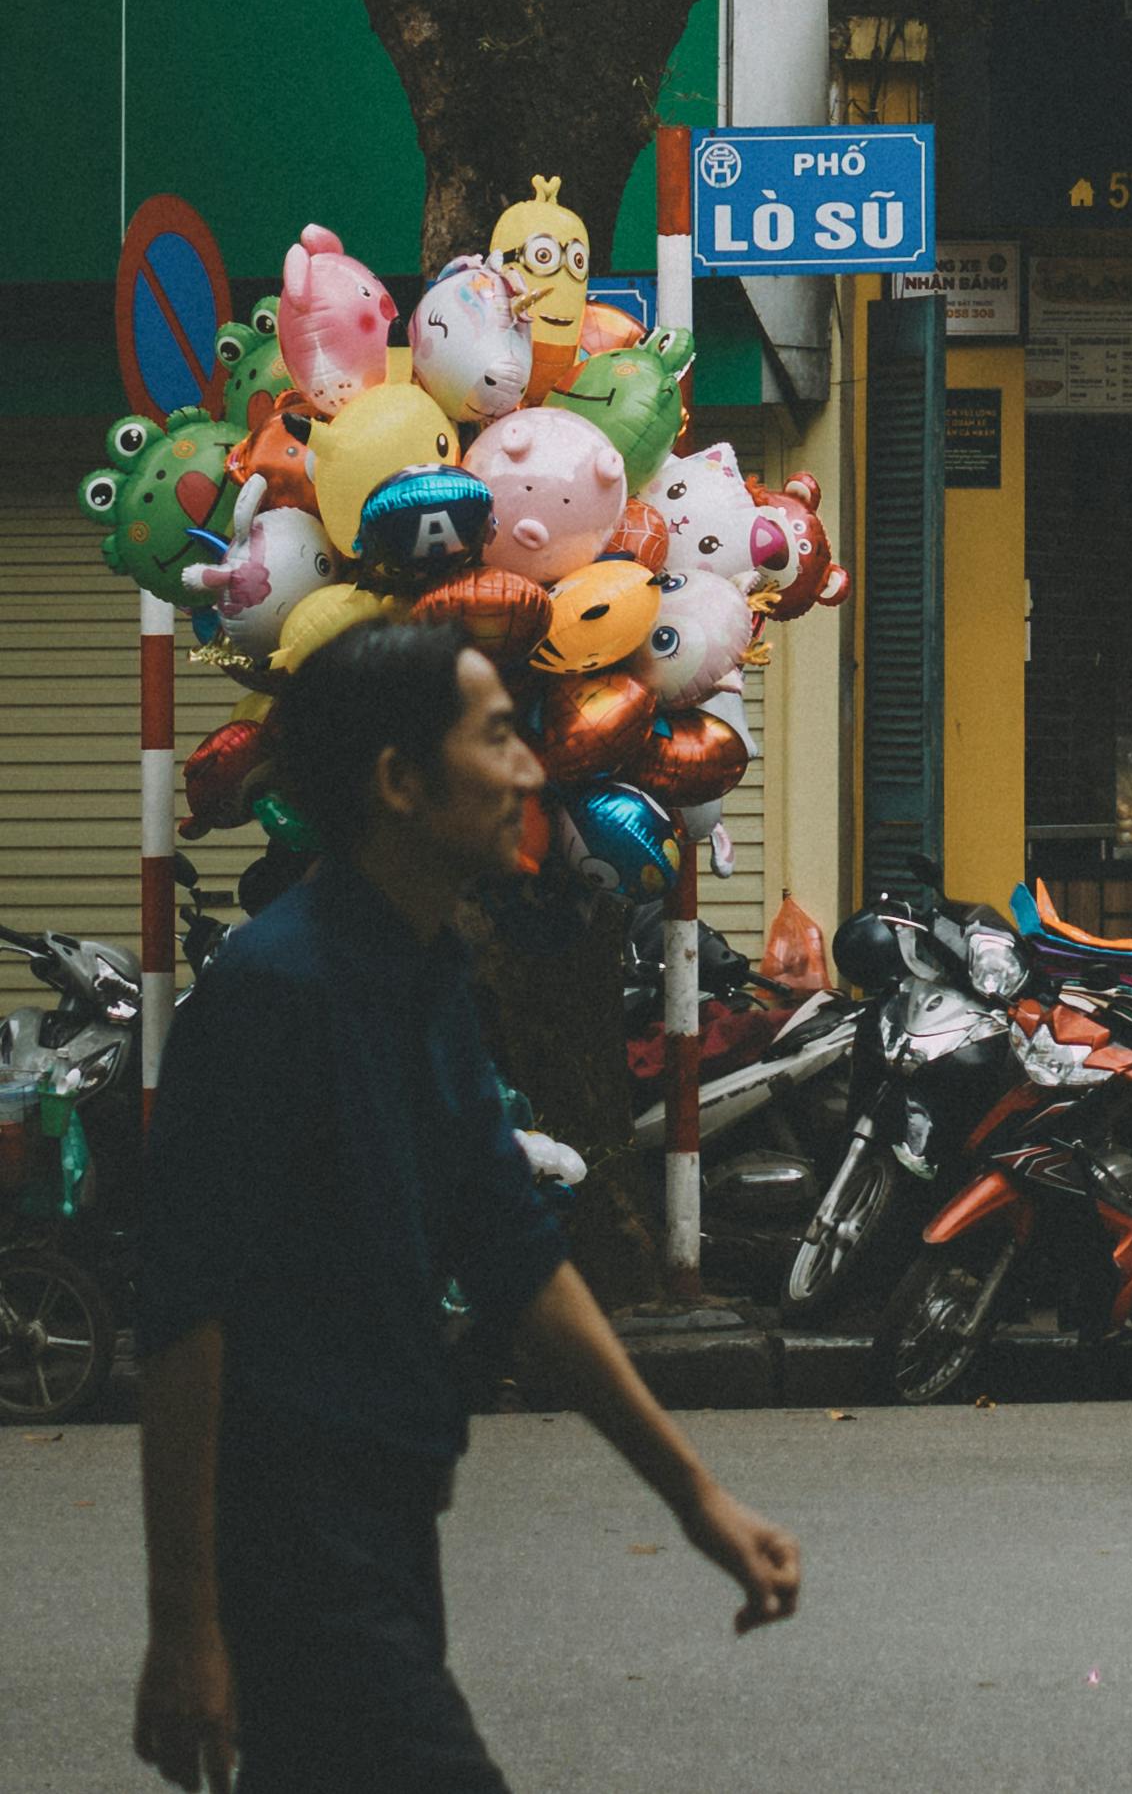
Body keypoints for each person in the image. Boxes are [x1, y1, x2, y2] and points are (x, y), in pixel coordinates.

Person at [129, 613, 799, 1794]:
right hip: (298, 1547)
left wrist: (696, 1502)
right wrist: (186, 1628)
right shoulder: (274, 996)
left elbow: (517, 1256)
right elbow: (188, 1318)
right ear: (398, 781)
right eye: (497, 738)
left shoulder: (423, 964)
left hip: (388, 1521)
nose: (533, 769)